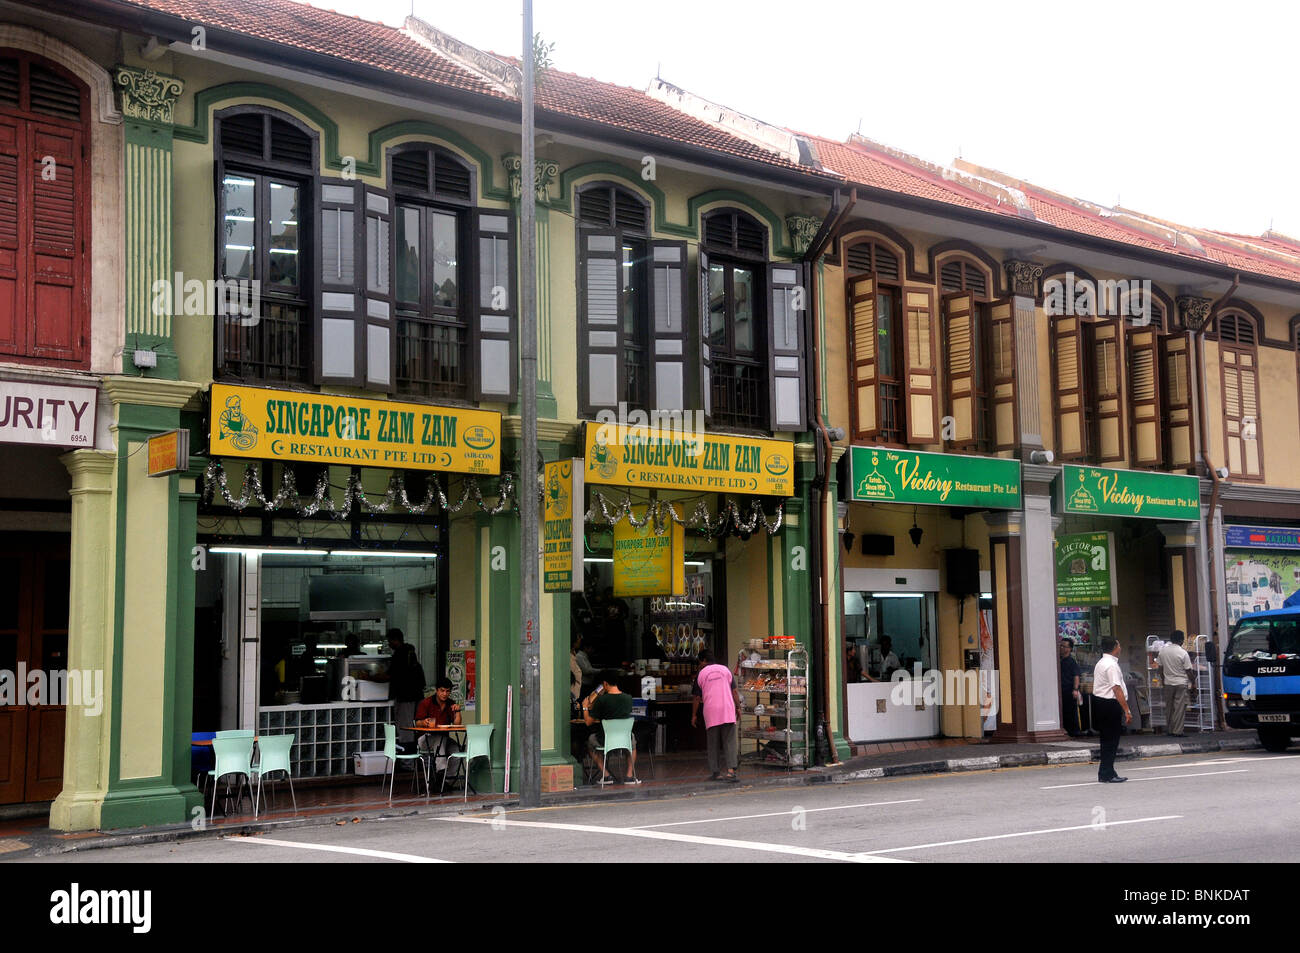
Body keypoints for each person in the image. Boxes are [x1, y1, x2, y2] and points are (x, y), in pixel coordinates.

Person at [691, 649, 741, 782]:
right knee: (729, 741)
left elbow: (696, 697)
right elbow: (734, 692)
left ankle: (716, 772)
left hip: (711, 711)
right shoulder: (725, 670)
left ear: (703, 661)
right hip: (727, 709)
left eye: (700, 662)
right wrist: (738, 707)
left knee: (713, 742)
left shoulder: (701, 674)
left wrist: (694, 715)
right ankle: (731, 771)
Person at [582, 670, 639, 784]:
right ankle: (629, 775)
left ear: (605, 684)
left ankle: (606, 775)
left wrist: (585, 707)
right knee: (632, 744)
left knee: (590, 742)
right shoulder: (628, 698)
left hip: (606, 739)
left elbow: (588, 722)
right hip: (624, 738)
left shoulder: (602, 700)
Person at [1093, 636, 1131, 782]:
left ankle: (1108, 770)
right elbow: (1116, 689)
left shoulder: (1102, 662)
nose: (1120, 648)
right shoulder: (1111, 665)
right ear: (1115, 647)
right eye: (1119, 645)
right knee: (1111, 740)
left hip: (1102, 703)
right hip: (1109, 704)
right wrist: (1127, 710)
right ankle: (1106, 773)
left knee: (1107, 739)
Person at [385, 629, 426, 752]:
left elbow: (388, 676)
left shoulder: (399, 655)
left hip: (405, 697)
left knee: (405, 728)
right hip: (418, 696)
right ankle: (421, 756)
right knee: (419, 727)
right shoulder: (411, 653)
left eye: (389, 641)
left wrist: (368, 677)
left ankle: (407, 760)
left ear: (394, 640)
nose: (389, 644)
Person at [415, 677, 463, 776]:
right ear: (437, 690)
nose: (445, 694)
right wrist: (424, 722)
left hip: (444, 739)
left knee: (457, 751)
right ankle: (440, 771)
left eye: (447, 691)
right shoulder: (426, 703)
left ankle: (446, 780)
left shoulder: (451, 703)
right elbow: (417, 723)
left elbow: (457, 725)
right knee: (439, 739)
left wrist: (457, 711)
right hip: (425, 739)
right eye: (442, 691)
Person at [1157, 630, 1195, 736]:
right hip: (1181, 683)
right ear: (1182, 640)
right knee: (1179, 708)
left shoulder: (1163, 651)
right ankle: (1177, 731)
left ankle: (1169, 729)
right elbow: (1188, 670)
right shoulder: (1183, 653)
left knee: (1169, 707)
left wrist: (1163, 679)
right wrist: (1193, 682)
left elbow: (1160, 668)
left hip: (1168, 682)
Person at [1059, 638, 1083, 737]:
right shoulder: (1059, 660)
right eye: (1061, 645)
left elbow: (1076, 676)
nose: (1061, 648)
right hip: (1061, 690)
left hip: (1069, 689)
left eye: (1064, 646)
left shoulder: (1071, 662)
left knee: (1070, 711)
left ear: (1069, 649)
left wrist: (1075, 689)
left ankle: (1074, 731)